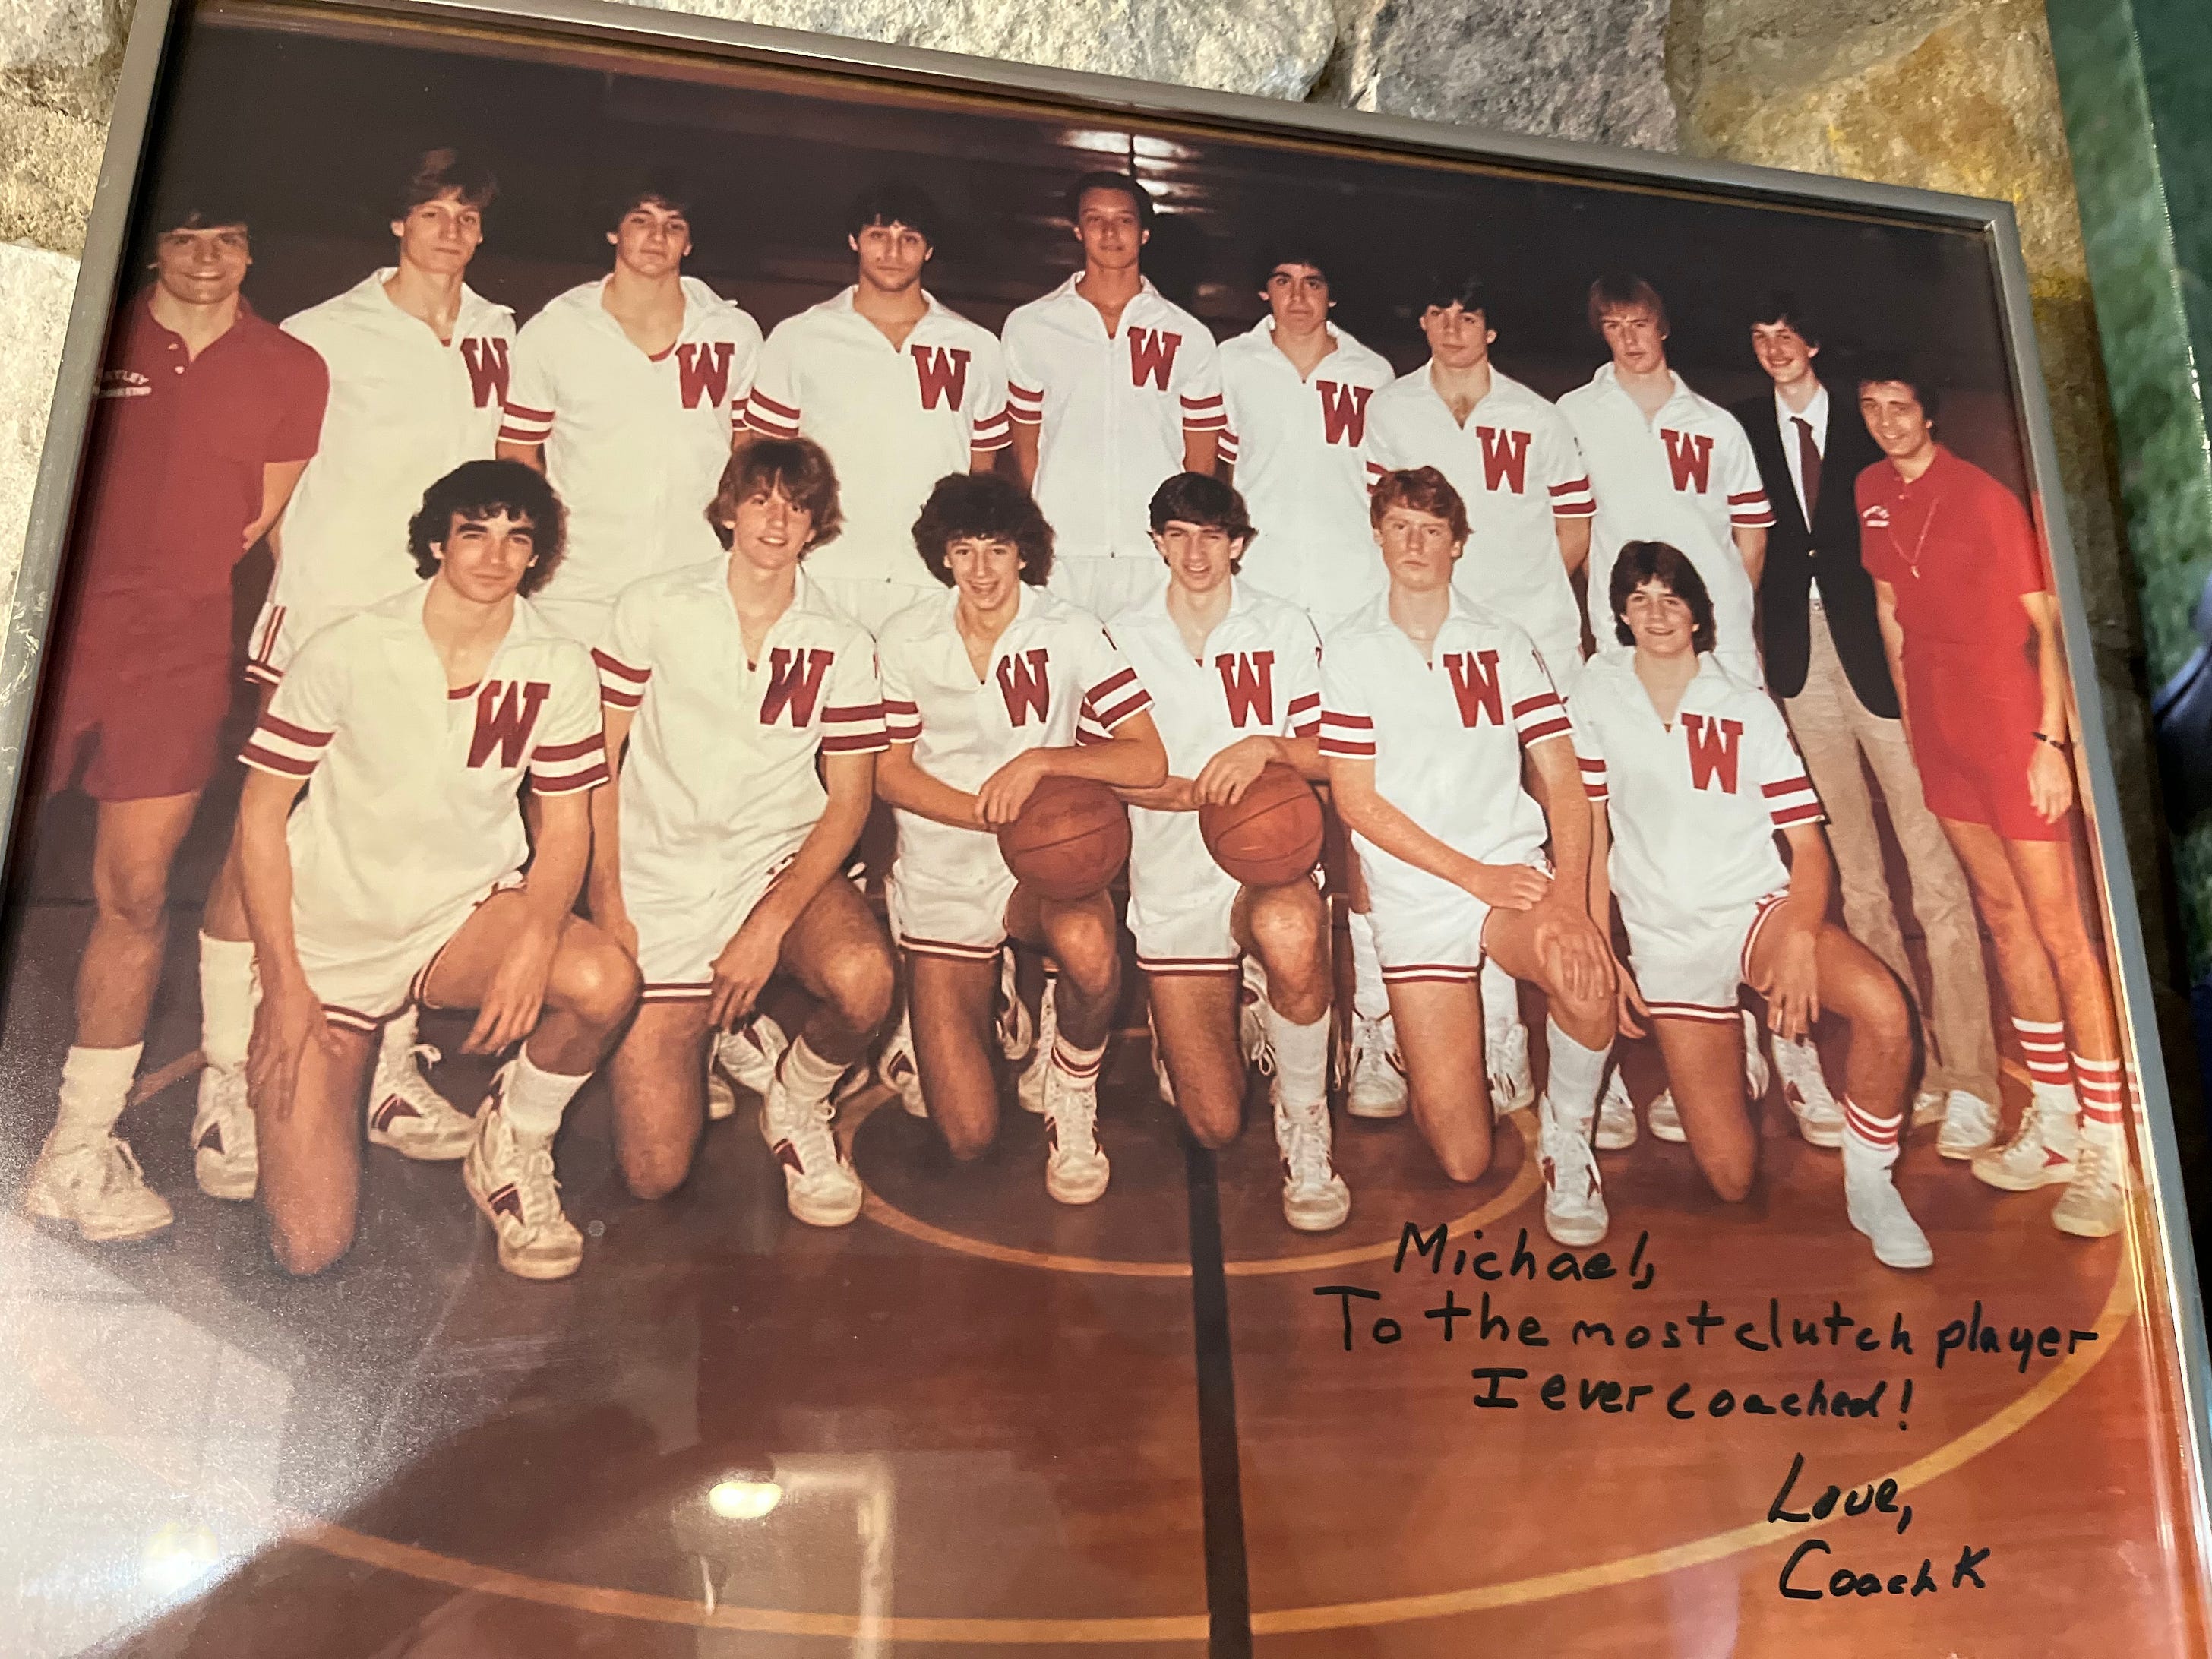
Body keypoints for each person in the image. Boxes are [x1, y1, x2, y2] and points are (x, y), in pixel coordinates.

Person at [228, 460, 638, 1278]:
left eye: (516, 538)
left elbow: (565, 825)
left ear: (536, 556)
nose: (494, 555)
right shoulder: (348, 645)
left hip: (460, 917)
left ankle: (513, 1141)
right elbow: (259, 819)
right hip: (333, 943)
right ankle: (327, 1062)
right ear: (437, 541)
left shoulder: (556, 662)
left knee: (601, 981)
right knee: (308, 1246)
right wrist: (282, 982)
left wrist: (532, 941)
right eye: (474, 532)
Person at [198, 148, 515, 1183]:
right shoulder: (321, 335)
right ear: (396, 225)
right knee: (271, 848)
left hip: (444, 638)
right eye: (432, 212)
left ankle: (388, 1068)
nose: (450, 229)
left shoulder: (499, 332)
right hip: (333, 630)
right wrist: (311, 603)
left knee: (408, 848)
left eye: (467, 214)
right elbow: (268, 492)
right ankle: (223, 1084)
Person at [21, 196, 327, 1244]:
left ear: (252, 249)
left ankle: (75, 1147)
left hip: (177, 650)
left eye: (230, 238)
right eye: (187, 238)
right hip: (43, 633)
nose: (208, 258)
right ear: (153, 247)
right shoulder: (78, 325)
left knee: (139, 888)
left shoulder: (291, 368)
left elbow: (258, 523)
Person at [1575, 542, 1931, 1269]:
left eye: (1671, 599)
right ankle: (1739, 1034)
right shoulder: (1596, 691)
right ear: (1619, 613)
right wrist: (1597, 938)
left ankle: (1872, 1186)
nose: (1657, 614)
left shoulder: (1744, 705)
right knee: (1732, 1179)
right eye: (1640, 599)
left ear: (1699, 616)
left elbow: (1810, 850)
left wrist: (1800, 938)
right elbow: (1587, 825)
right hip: (1665, 937)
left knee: (1885, 1008)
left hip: (1752, 911)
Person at [591, 439, 896, 1225]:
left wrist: (766, 929)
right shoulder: (650, 605)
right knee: (653, 1172)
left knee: (865, 980)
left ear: (815, 527)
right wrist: (608, 904)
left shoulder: (842, 641)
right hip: (660, 876)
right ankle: (717, 1029)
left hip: (773, 865)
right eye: (760, 499)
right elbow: (593, 763)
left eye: (796, 506)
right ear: (728, 508)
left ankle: (796, 1102)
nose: (776, 519)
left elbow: (848, 805)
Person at [1856, 364, 2128, 1239]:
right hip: (1938, 724)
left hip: (2008, 717)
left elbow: (2046, 627)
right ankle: (2051, 1121)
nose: (1886, 419)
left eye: (1901, 404)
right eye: (1871, 406)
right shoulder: (1867, 489)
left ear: (1927, 412)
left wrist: (2050, 743)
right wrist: (1907, 717)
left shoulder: (1982, 498)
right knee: (2001, 920)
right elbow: (1888, 606)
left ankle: (2110, 1142)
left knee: (2063, 935)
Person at [1318, 467, 1617, 1246]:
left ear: (1456, 545)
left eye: (1430, 529)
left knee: (1585, 978)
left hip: (1509, 875)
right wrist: (1467, 875)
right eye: (1399, 527)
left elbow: (1562, 778)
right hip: (1420, 895)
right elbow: (1356, 803)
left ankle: (1568, 1138)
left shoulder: (1501, 640)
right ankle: (1441, 1036)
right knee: (1459, 1157)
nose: (1414, 543)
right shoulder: (1349, 649)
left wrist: (1573, 906)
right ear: (1377, 536)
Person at [1733, 299, 1998, 1157]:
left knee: (1932, 871)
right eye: (1758, 337)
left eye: (1787, 334)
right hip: (1797, 665)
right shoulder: (1737, 427)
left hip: (1879, 660)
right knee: (1855, 879)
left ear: (1811, 343)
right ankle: (1911, 1060)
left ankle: (1971, 1080)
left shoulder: (1866, 418)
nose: (1774, 349)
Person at [874, 472, 1168, 1204]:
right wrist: (982, 810)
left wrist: (1042, 761)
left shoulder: (1069, 629)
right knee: (969, 1138)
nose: (980, 570)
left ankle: (1071, 1086)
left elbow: (1146, 757)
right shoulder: (906, 636)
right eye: (964, 551)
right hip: (942, 866)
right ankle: (987, 990)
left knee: (1094, 951)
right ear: (942, 556)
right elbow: (889, 774)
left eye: (997, 550)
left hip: (1033, 868)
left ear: (1023, 555)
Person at [1361, 271, 1599, 1127]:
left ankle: (1569, 1015)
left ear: (1491, 329)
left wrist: (1518, 607)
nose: (1453, 327)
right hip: (1434, 637)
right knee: (1444, 807)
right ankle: (1473, 1026)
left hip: (1527, 638)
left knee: (1548, 820)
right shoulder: (1388, 410)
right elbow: (1391, 515)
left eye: (1469, 313)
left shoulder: (1539, 416)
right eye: (1437, 313)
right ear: (1421, 321)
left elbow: (1572, 531)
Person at [1108, 473, 1346, 1231]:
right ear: (1155, 544)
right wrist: (1163, 791)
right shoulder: (1118, 634)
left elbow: (1334, 755)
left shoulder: (1282, 626)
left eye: (1210, 535)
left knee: (1289, 930)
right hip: (1171, 873)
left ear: (1236, 544)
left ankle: (1304, 1122)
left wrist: (1267, 747)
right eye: (1176, 536)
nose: (1194, 553)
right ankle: (1235, 1002)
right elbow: (1092, 769)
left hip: (1267, 862)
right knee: (1210, 1123)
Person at [741, 182, 1010, 637]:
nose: (893, 252)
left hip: (928, 575)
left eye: (910, 239)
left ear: (929, 251)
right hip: (825, 565)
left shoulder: (976, 346)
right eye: (878, 236)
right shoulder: (800, 336)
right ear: (854, 242)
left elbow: (979, 478)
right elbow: (766, 463)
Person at [497, 180, 761, 642]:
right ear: (614, 233)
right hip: (578, 581)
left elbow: (750, 445)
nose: (657, 237)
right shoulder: (556, 329)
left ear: (689, 242)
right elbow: (518, 449)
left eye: (673, 225)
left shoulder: (732, 330)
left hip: (694, 573)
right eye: (641, 220)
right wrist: (544, 540)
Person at [1003, 172, 1224, 621]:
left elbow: (1202, 453)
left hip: (1152, 552)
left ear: (1143, 233)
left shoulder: (1188, 334)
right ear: (1077, 230)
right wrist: (1042, 520)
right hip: (1063, 549)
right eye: (1095, 220)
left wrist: (1181, 534)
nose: (1109, 232)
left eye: (1123, 220)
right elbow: (1026, 442)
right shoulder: (1031, 325)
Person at [1559, 273, 1771, 685]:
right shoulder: (1573, 413)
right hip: (1627, 626)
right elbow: (1575, 527)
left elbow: (1752, 536)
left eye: (1639, 325)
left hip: (1715, 632)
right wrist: (1611, 590)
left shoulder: (1716, 424)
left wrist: (1726, 606)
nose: (1629, 340)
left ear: (1662, 327)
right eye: (1613, 327)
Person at [1215, 248, 1395, 626]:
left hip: (1349, 579)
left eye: (1312, 283)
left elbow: (1385, 485)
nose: (1297, 298)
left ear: (1332, 295)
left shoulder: (1372, 372)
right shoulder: (1231, 361)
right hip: (1260, 573)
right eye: (1283, 281)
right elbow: (1224, 468)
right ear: (1264, 291)